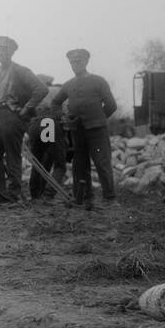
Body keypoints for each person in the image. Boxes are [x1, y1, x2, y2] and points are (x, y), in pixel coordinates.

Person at [0, 36, 48, 201]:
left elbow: (41, 89)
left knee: (12, 155)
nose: (0, 53)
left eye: (4, 50)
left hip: (12, 117)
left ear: (11, 52)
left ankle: (15, 192)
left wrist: (27, 108)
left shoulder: (20, 71)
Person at [52, 49, 118, 209]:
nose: (75, 65)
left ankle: (110, 198)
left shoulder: (98, 81)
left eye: (79, 61)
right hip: (77, 131)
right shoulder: (68, 84)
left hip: (97, 130)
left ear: (86, 62)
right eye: (72, 62)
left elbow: (111, 105)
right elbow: (55, 103)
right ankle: (83, 198)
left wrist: (99, 119)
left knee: (102, 162)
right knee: (79, 165)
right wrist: (64, 117)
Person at [27, 73, 68, 200]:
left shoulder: (33, 93)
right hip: (49, 123)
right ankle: (48, 194)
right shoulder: (57, 91)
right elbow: (65, 113)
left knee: (38, 163)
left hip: (35, 125)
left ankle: (35, 195)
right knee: (60, 165)